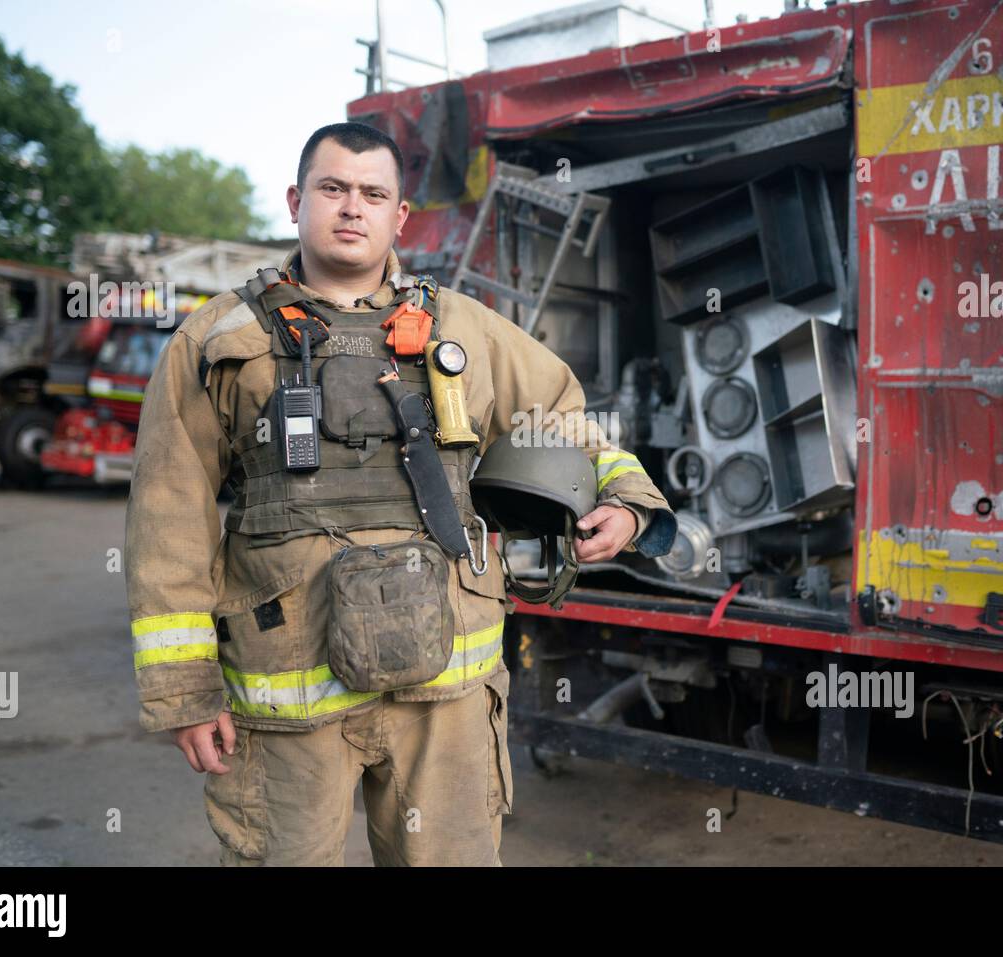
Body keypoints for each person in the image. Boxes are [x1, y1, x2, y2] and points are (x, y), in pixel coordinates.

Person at [124, 121, 676, 866]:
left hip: (447, 696)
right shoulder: (219, 340)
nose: (352, 207)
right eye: (333, 188)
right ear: (296, 200)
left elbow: (560, 418)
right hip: (288, 695)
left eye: (372, 193)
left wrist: (627, 497)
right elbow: (169, 516)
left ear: (398, 216)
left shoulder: (464, 330)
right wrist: (185, 691)